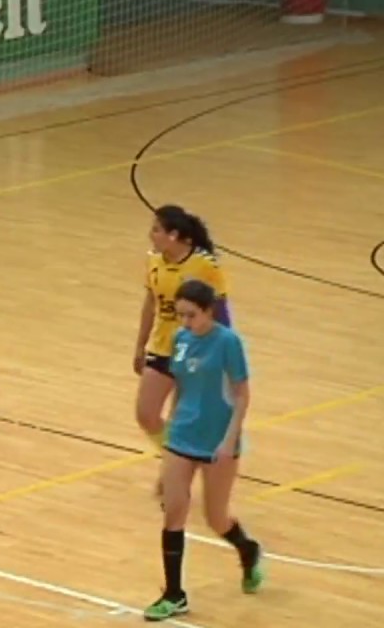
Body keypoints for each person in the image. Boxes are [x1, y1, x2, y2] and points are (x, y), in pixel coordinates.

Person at [144, 279, 263, 621]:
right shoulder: (180, 340)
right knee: (174, 512)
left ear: (209, 312)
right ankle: (174, 594)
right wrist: (169, 436)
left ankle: (247, 549)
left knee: (216, 517)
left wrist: (229, 441)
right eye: (180, 315)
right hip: (182, 437)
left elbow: (242, 394)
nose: (185, 323)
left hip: (217, 442)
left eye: (191, 316)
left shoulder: (228, 342)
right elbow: (181, 387)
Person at [133, 205, 230, 497]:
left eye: (156, 230)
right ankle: (177, 460)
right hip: (162, 346)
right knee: (146, 414)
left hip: (195, 351)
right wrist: (140, 344)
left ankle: (175, 473)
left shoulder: (204, 265)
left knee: (180, 420)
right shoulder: (153, 261)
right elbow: (150, 302)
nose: (151, 235)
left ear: (174, 235)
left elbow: (221, 311)